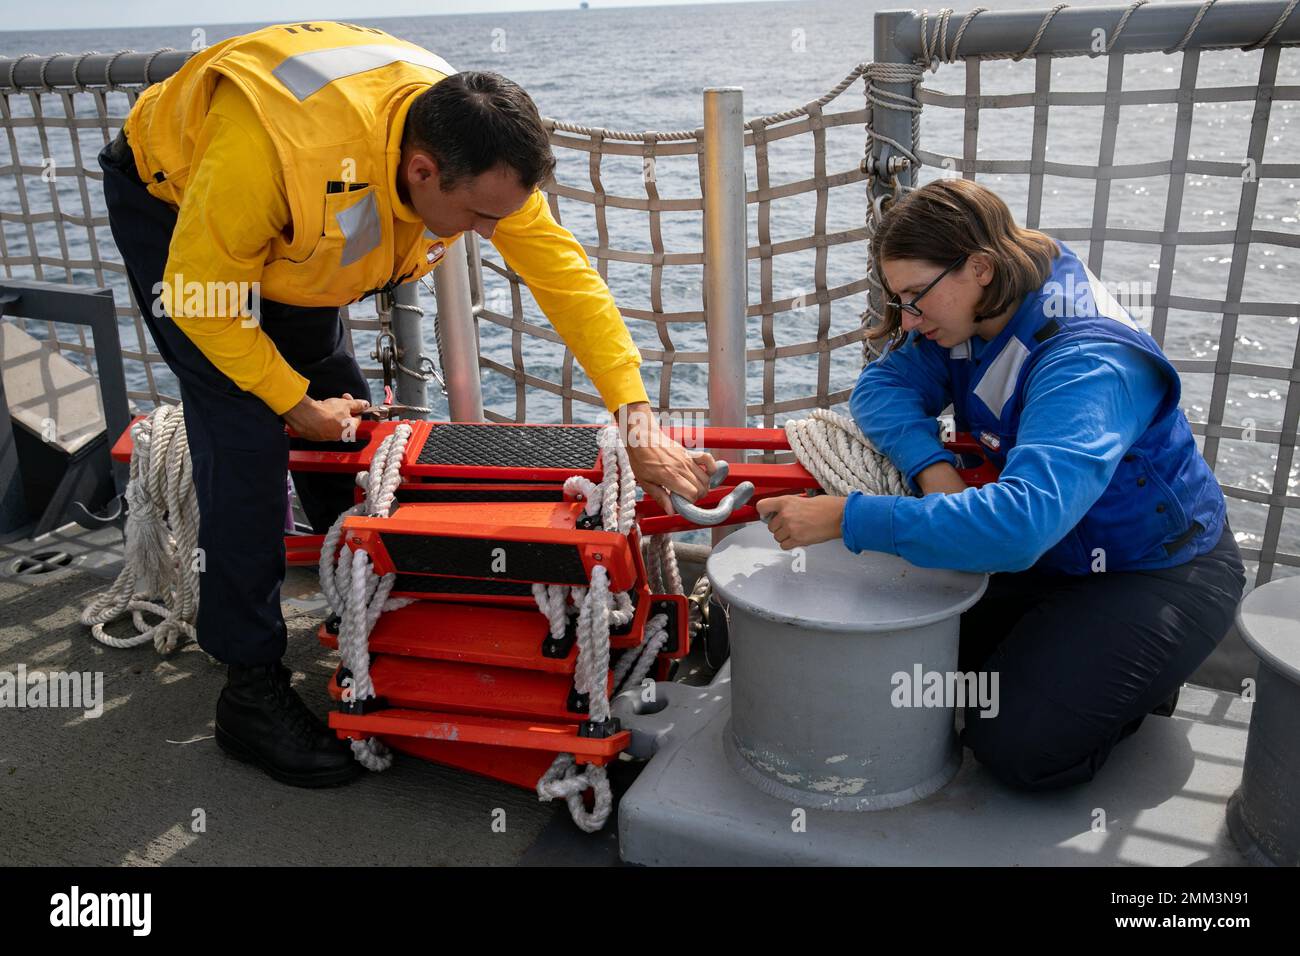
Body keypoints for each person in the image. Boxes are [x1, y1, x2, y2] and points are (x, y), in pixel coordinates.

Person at [98, 20, 713, 788]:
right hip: (183, 207)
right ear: (422, 171)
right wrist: (293, 402)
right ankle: (249, 689)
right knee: (245, 430)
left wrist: (635, 414)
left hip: (295, 239)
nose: (493, 233)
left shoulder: (476, 151)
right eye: (483, 218)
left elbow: (565, 279)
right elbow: (200, 300)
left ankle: (366, 582)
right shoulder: (275, 156)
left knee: (344, 394)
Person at [757, 178, 1245, 791]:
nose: (906, 320)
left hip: (1156, 571)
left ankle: (1143, 686)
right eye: (897, 299)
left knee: (1013, 746)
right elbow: (880, 389)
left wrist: (848, 518)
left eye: (915, 297)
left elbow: (1018, 529)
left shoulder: (1087, 364)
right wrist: (933, 470)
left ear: (980, 267)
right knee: (901, 666)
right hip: (1055, 556)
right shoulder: (975, 310)